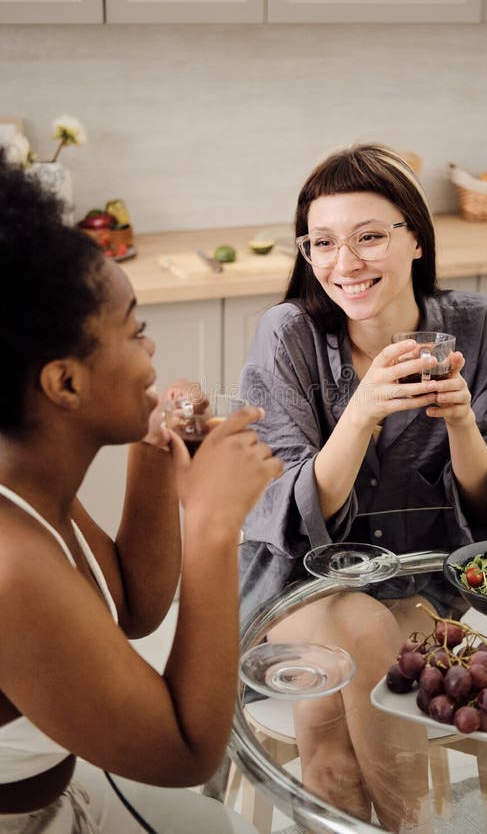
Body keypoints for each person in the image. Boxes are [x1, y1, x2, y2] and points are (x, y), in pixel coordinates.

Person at [238, 143, 487, 828]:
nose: (343, 264)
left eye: (370, 237)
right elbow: (280, 512)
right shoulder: (286, 334)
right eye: (322, 242)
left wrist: (463, 423)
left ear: (415, 238)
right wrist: (363, 411)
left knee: (348, 705)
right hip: (297, 586)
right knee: (353, 621)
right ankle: (414, 826)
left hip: (420, 579)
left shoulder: (481, 328)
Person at [0, 151, 282, 832]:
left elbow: (128, 609)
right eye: (135, 329)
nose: (152, 351)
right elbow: (184, 752)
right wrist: (213, 525)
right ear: (65, 384)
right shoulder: (10, 565)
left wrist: (155, 454)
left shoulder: (30, 486)